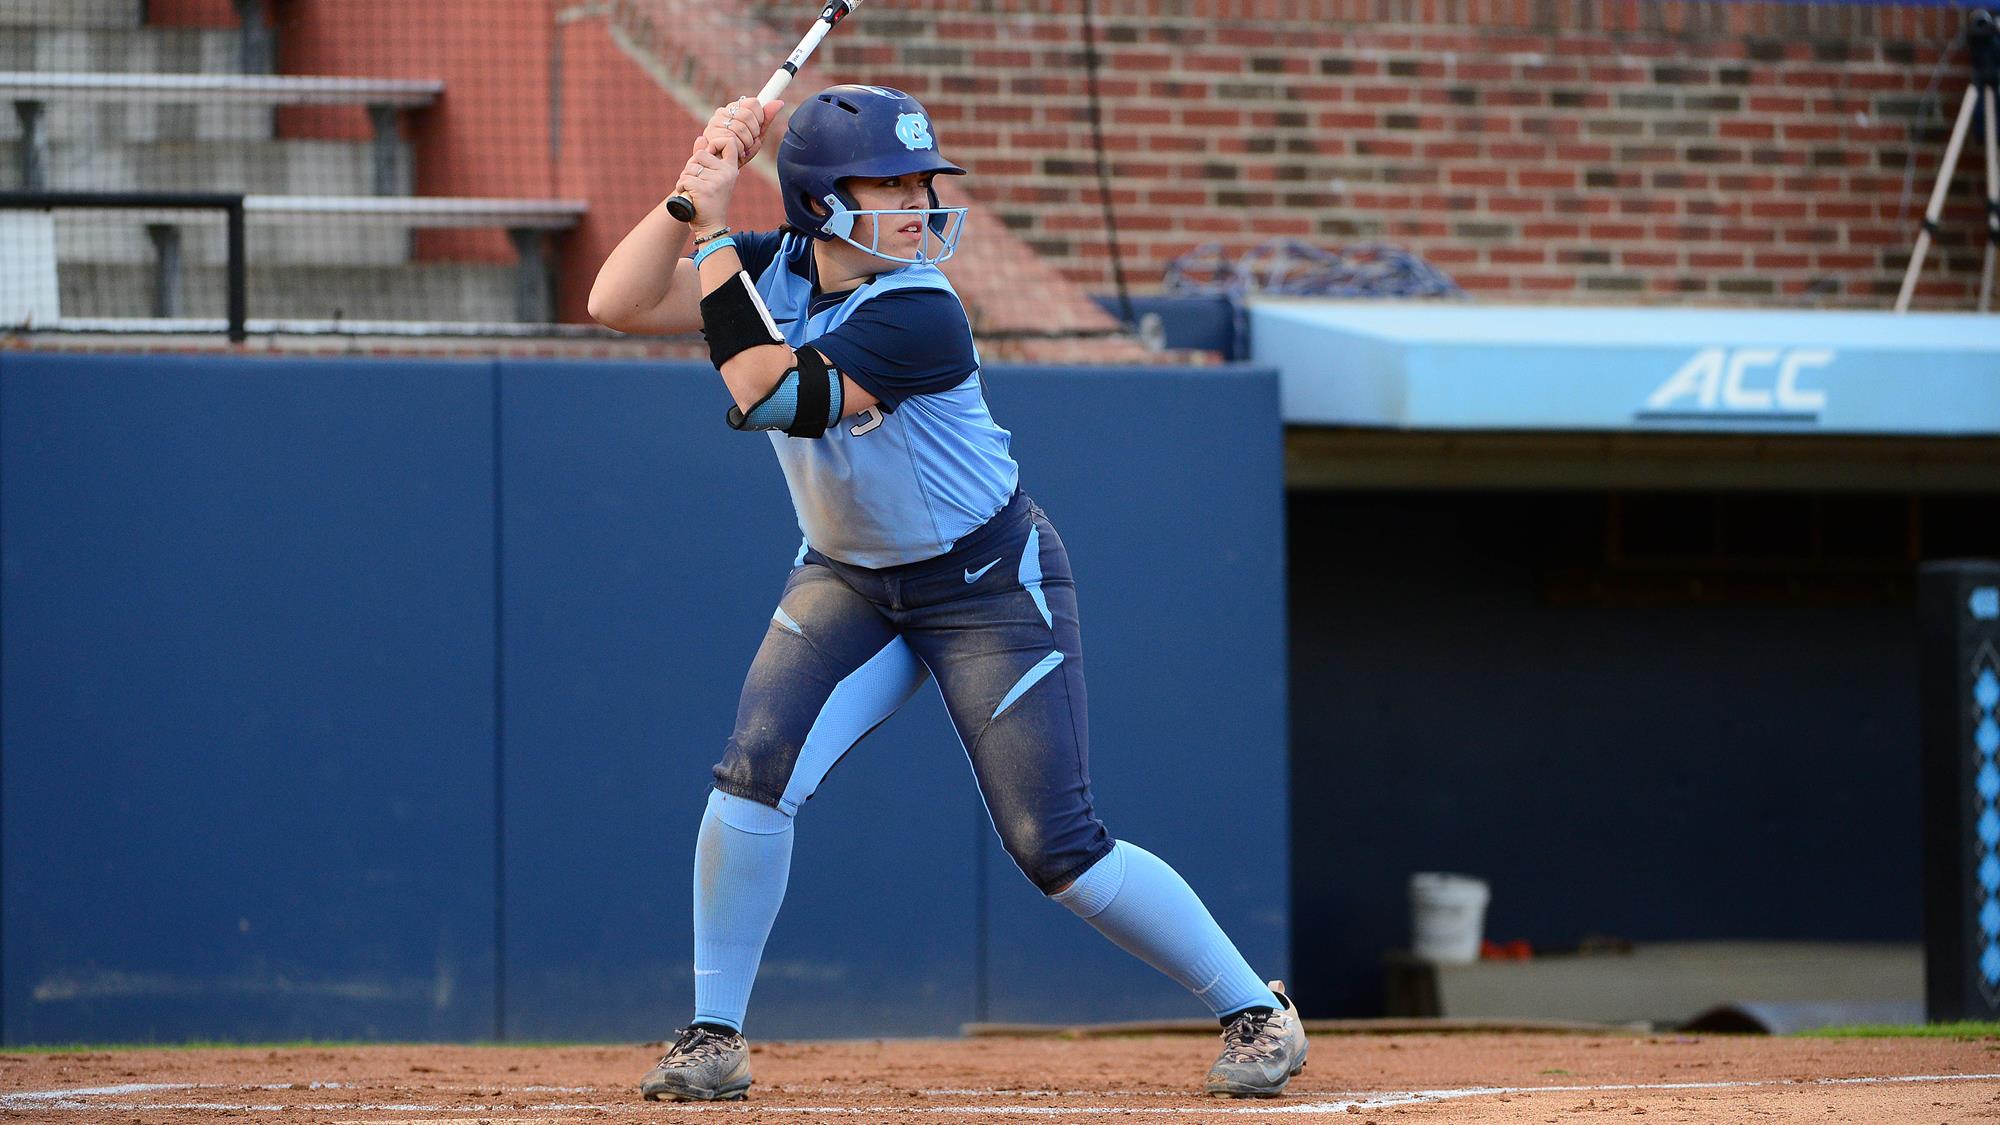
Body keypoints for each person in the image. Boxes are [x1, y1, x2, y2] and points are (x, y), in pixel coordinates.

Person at [587, 84, 1307, 1103]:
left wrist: (708, 235)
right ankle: (713, 1034)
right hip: (848, 576)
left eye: (921, 182)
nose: (918, 203)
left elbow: (772, 394)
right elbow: (614, 303)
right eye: (890, 183)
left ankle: (1255, 1009)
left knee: (1057, 849)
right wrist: (685, 196)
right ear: (819, 200)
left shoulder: (919, 307)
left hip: (982, 583)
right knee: (751, 775)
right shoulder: (769, 264)